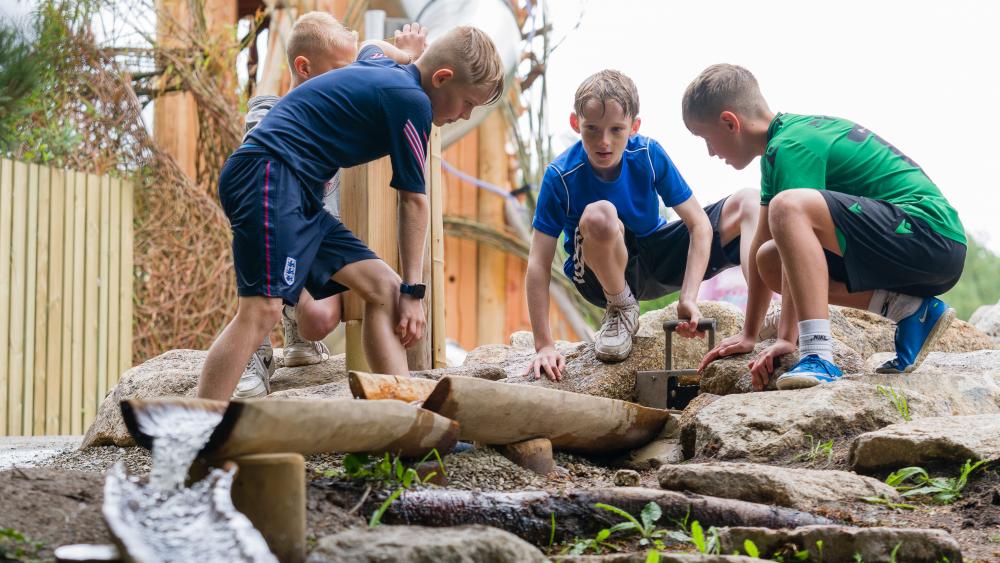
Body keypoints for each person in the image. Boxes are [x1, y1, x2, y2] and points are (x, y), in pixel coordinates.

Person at [197, 25, 505, 401]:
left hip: (299, 191)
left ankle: (411, 421)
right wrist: (415, 289)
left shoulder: (383, 67)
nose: (466, 114)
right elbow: (413, 201)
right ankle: (196, 434)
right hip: (269, 172)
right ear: (442, 78)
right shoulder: (414, 102)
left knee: (385, 291)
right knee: (262, 310)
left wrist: (408, 55)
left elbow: (371, 45)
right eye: (468, 103)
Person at [685, 64, 965, 390]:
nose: (709, 152)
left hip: (929, 234)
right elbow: (769, 252)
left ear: (730, 123)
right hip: (917, 249)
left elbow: (790, 216)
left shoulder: (791, 146)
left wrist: (795, 340)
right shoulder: (779, 151)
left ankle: (819, 354)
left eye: (706, 139)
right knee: (770, 259)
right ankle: (912, 309)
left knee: (787, 207)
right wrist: (752, 335)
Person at [234, 12, 429, 398]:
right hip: (275, 227)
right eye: (343, 68)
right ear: (305, 68)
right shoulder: (269, 116)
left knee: (321, 317)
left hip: (314, 230)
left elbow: (373, 51)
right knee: (263, 302)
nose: (353, 76)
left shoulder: (343, 110)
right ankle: (255, 347)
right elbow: (258, 206)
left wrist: (405, 56)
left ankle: (405, 407)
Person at [524, 69, 759, 380]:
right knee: (600, 214)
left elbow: (699, 225)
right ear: (574, 124)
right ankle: (621, 309)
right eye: (592, 129)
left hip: (654, 256)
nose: (604, 141)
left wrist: (688, 297)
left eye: (616, 130)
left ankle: (760, 316)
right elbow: (538, 264)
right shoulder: (561, 177)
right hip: (600, 275)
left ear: (634, 127)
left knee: (749, 201)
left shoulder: (647, 154)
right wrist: (544, 345)